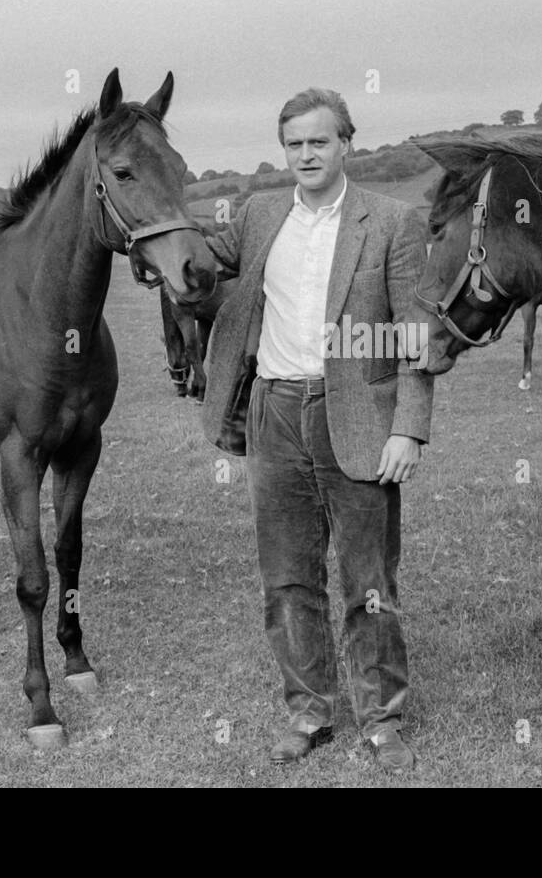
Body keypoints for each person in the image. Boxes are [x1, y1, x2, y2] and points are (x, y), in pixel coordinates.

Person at [200, 88, 432, 770]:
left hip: (357, 416)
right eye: (294, 143)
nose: (306, 154)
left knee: (367, 578)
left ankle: (382, 718)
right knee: (287, 577)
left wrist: (408, 428)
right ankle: (308, 710)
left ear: (346, 144)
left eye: (319, 141)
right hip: (274, 414)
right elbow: (194, 263)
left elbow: (416, 334)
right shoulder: (258, 214)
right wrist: (137, 225)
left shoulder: (391, 221)